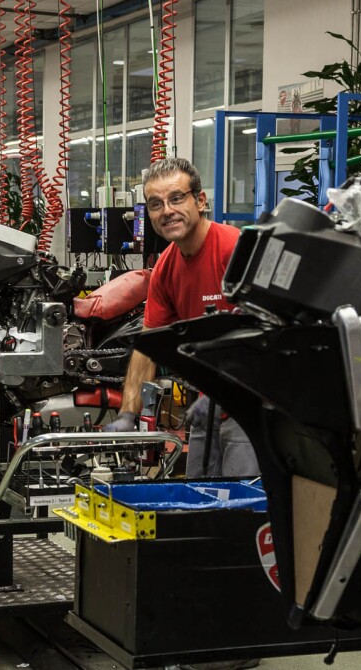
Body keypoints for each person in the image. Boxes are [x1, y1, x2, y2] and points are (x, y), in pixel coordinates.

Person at [114, 158, 259, 481]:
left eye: (176, 198)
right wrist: (127, 412)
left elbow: (264, 335)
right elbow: (148, 345)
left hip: (251, 404)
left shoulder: (233, 249)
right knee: (198, 495)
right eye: (156, 204)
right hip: (207, 404)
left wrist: (221, 396)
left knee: (242, 505)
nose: (166, 210)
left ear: (201, 200)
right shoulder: (166, 267)